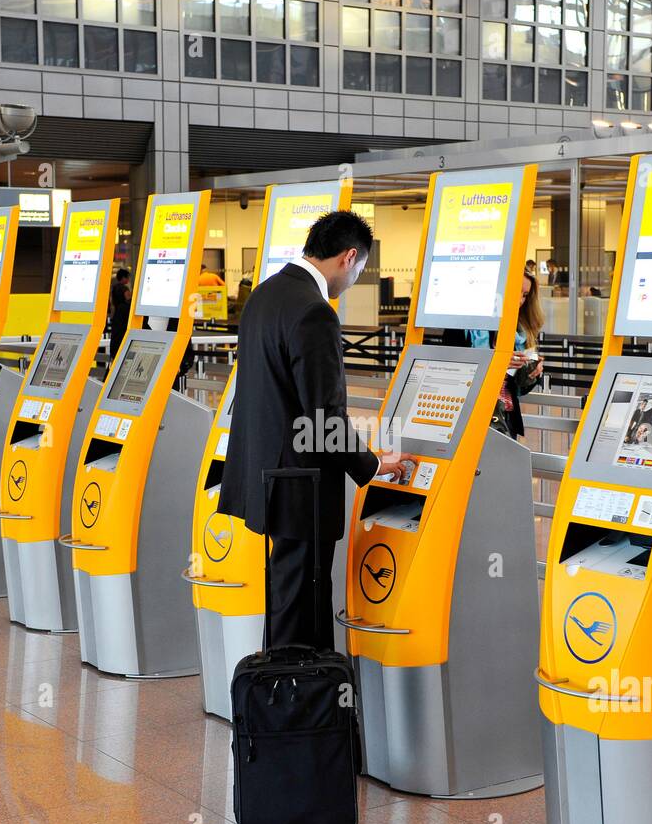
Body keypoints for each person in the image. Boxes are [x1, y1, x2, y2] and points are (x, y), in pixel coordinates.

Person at [219, 211, 416, 649]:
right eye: (361, 269)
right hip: (300, 488)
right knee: (301, 606)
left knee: (288, 596)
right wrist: (372, 464)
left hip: (267, 477)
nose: (355, 280)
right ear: (349, 257)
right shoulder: (315, 313)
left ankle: (289, 697)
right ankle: (296, 702)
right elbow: (325, 418)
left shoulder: (265, 295)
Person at [441, 264, 546, 439]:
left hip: (505, 419)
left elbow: (518, 388)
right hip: (469, 417)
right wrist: (495, 363)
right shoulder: (461, 327)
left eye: (525, 295)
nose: (520, 300)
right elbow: (452, 372)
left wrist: (532, 372)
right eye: (516, 292)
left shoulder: (518, 332)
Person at [107, 268, 132, 370]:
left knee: (116, 340)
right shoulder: (125, 289)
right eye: (127, 277)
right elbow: (129, 301)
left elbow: (112, 303)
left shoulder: (114, 288)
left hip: (116, 317)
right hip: (124, 317)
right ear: (124, 278)